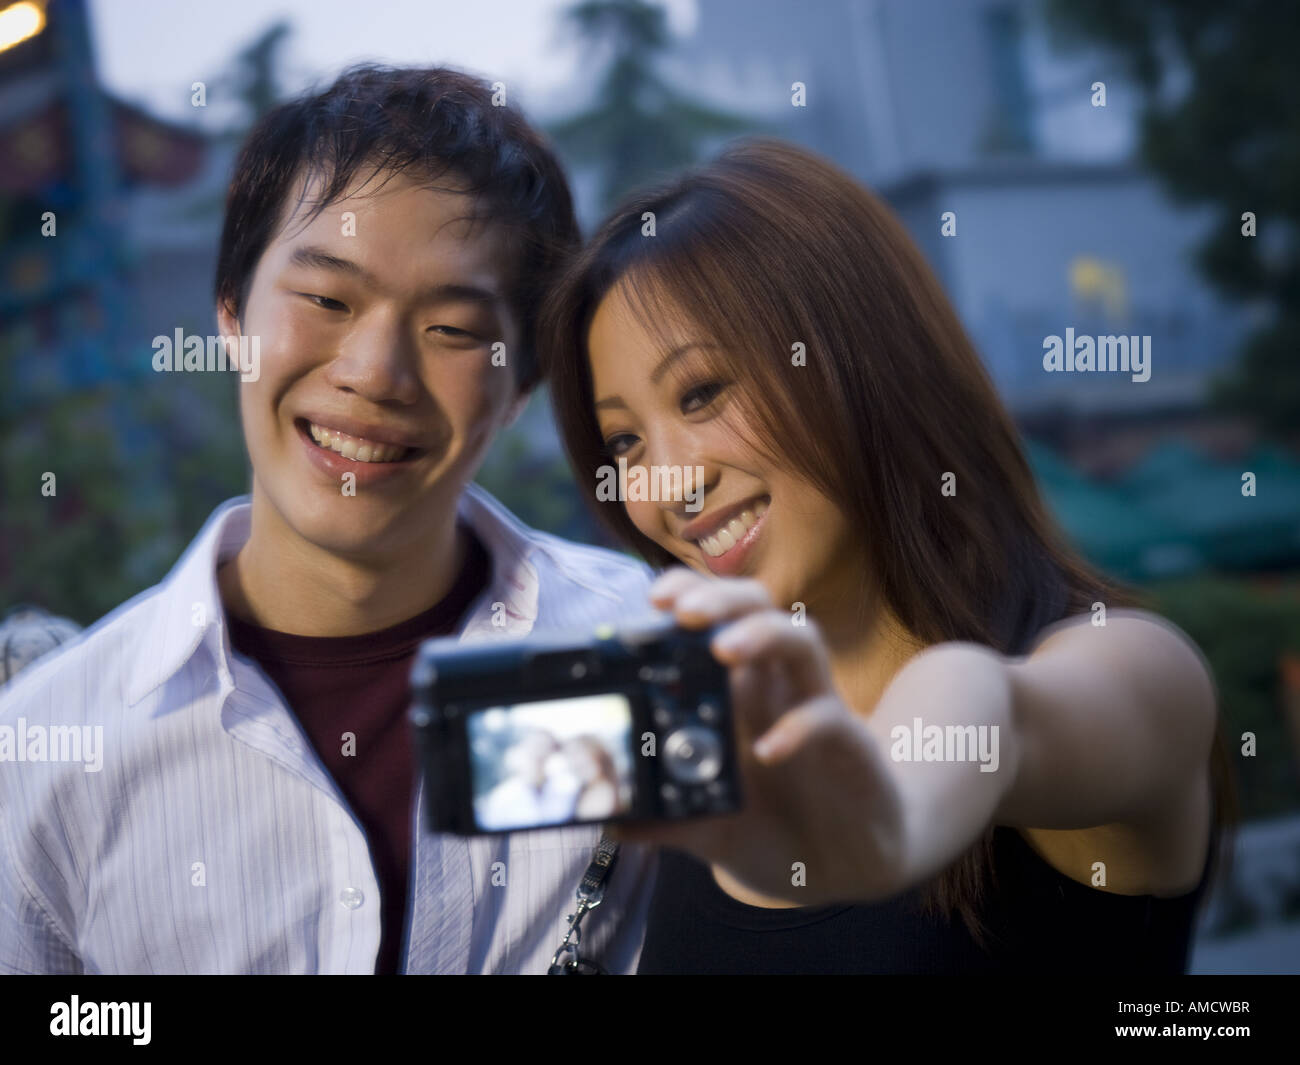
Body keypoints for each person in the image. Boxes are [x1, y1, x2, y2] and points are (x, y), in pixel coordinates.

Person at [0, 65, 658, 975]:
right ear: (230, 314)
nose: (374, 371)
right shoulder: (43, 749)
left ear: (521, 386)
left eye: (455, 330)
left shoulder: (645, 650)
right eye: (325, 299)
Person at [539, 138, 1236, 974]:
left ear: (860, 356)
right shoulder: (713, 737)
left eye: (703, 392)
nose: (668, 485)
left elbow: (990, 713)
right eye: (624, 440)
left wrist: (888, 813)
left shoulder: (1126, 663)